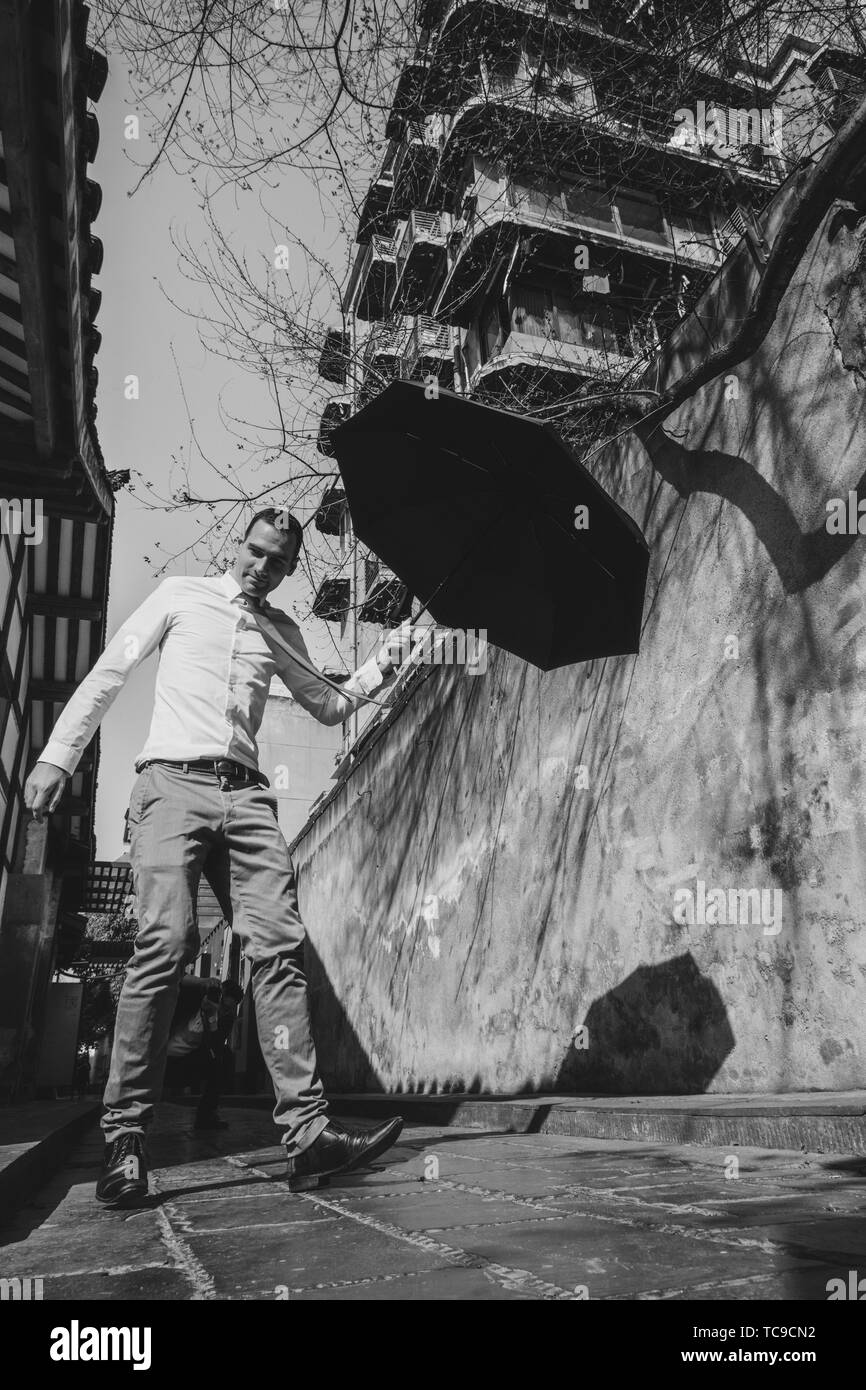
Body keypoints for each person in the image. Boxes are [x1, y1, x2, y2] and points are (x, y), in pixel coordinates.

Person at [24, 509, 404, 1206]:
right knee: (164, 945)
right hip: (170, 783)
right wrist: (57, 754)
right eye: (255, 552)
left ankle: (308, 1135)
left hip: (249, 799)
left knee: (279, 952)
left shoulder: (282, 632)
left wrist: (399, 648)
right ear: (241, 546)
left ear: (291, 568)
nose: (261, 567)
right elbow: (112, 672)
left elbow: (329, 704)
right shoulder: (179, 596)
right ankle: (127, 1139)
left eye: (277, 561)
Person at [164, 976, 243, 1130]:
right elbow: (176, 976)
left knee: (225, 1057)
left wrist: (212, 1018)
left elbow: (216, 1047)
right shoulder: (194, 997)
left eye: (228, 1009)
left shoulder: (225, 1019)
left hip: (184, 1066)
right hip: (159, 1059)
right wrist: (202, 982)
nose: (223, 1010)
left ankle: (206, 1116)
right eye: (222, 1004)